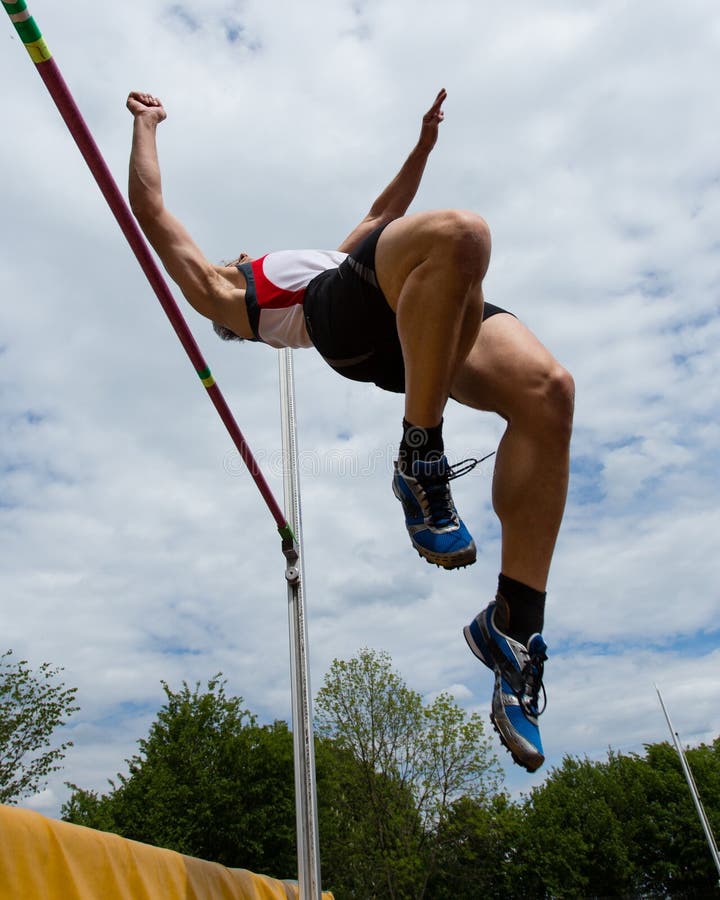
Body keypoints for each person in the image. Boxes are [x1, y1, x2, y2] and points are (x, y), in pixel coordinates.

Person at [126, 88, 574, 773]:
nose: (245, 249)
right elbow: (151, 211)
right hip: (349, 324)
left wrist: (422, 145)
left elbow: (382, 213)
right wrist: (147, 126)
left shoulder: (332, 259)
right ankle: (419, 458)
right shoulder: (225, 295)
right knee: (462, 235)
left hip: (410, 313)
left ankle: (513, 628)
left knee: (549, 394)